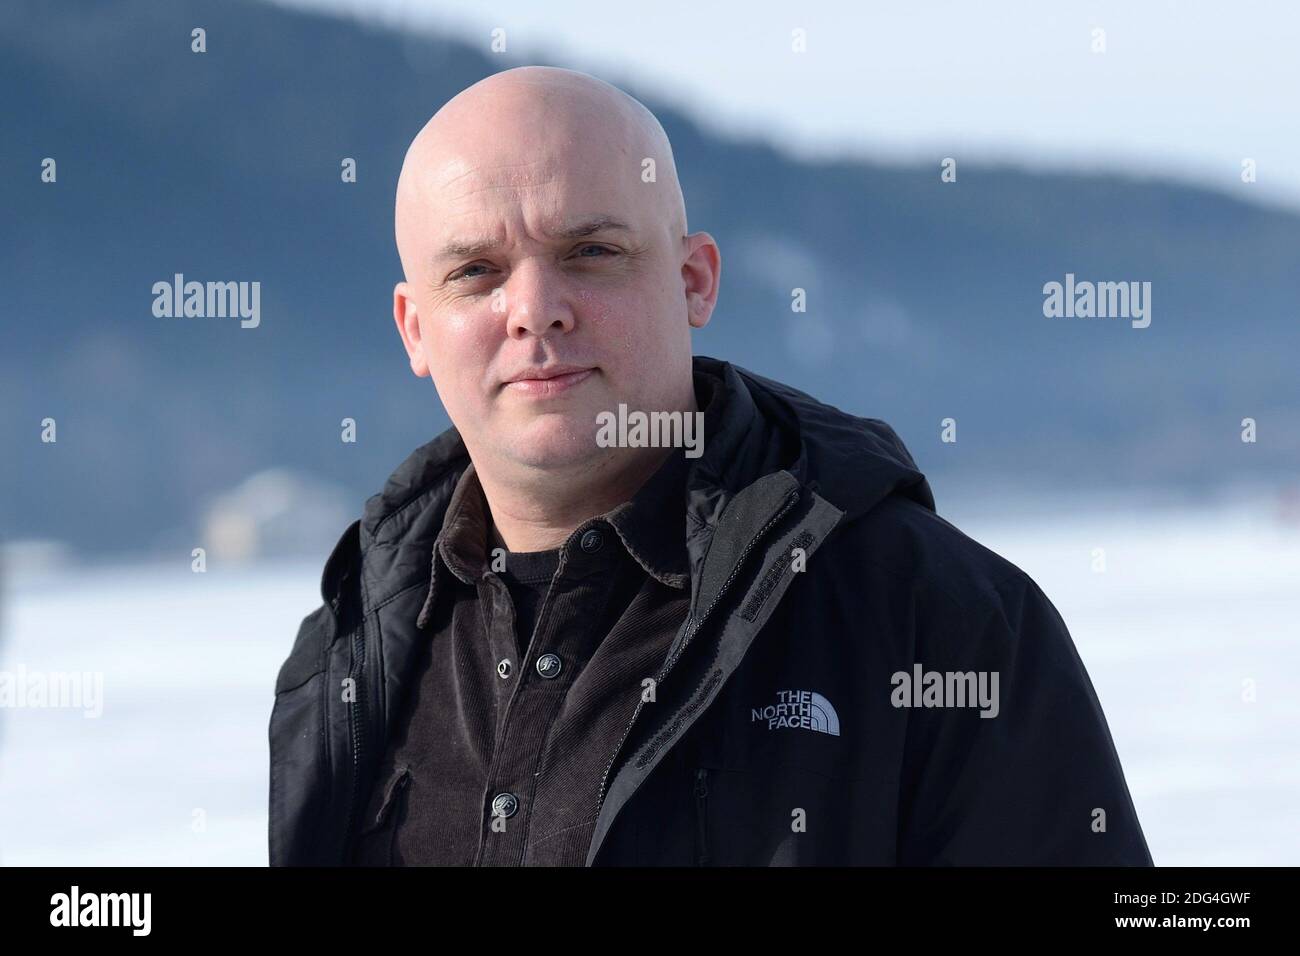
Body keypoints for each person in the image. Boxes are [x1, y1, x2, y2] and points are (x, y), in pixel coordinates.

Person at [268, 65, 1153, 866]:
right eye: (475, 271)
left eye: (592, 252)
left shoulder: (936, 620)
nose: (535, 310)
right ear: (414, 328)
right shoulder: (353, 656)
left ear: (695, 281)